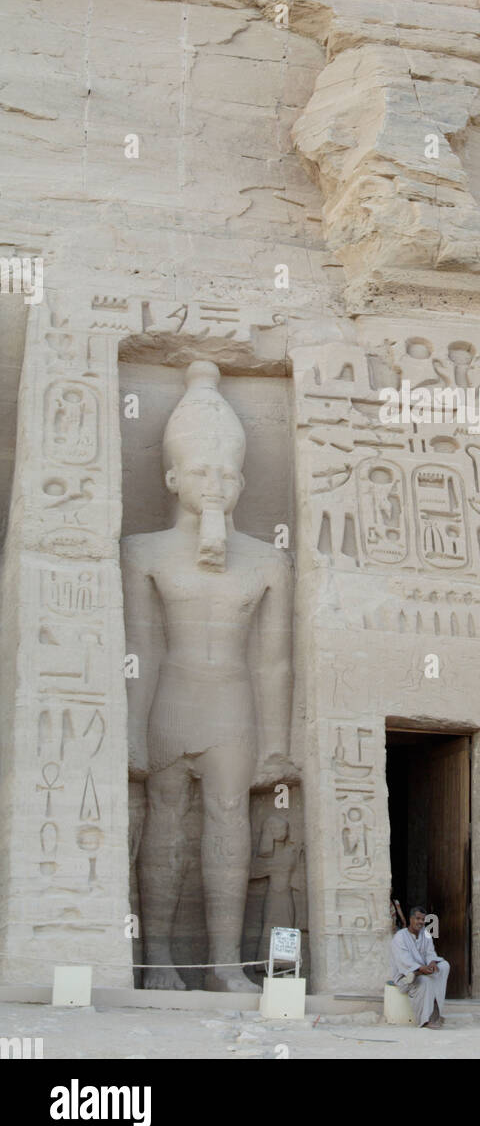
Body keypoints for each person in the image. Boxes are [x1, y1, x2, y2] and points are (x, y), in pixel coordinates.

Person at [122, 361, 294, 992]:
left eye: (226, 472)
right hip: (172, 696)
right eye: (201, 470)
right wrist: (135, 734)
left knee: (228, 817)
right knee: (166, 820)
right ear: (172, 476)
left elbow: (273, 661)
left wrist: (277, 744)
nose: (215, 483)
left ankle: (223, 963)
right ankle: (159, 956)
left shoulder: (268, 560)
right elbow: (136, 651)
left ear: (244, 479)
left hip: (235, 705)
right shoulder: (142, 552)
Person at [389, 906, 449, 1028]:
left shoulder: (426, 934)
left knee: (444, 966)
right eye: (417, 919)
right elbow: (404, 960)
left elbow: (430, 952)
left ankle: (436, 1012)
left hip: (423, 971)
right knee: (425, 980)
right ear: (410, 919)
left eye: (423, 919)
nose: (420, 922)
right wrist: (420, 969)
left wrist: (432, 962)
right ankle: (425, 1020)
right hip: (406, 977)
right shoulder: (400, 937)